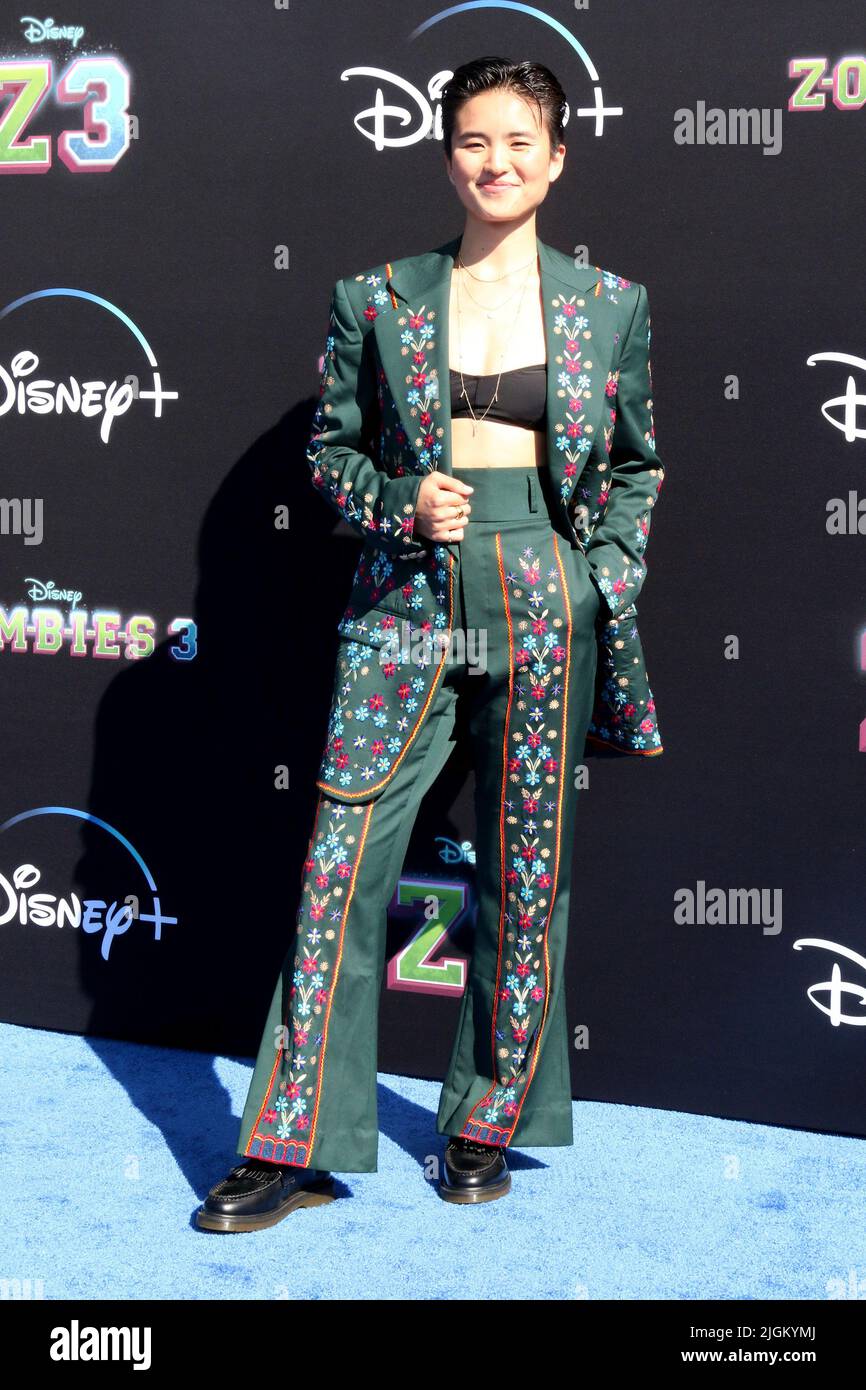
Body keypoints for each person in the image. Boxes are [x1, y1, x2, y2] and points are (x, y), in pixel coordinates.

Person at [196, 55, 665, 1232]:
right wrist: (397, 498)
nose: (493, 162)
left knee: (525, 867)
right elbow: (331, 454)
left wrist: (596, 581)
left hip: (542, 596)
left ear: (555, 158)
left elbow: (635, 467)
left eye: (517, 141)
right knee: (338, 866)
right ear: (446, 156)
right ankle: (290, 1142)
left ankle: (483, 1120)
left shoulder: (609, 306)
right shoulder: (377, 297)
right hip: (402, 603)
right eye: (471, 141)